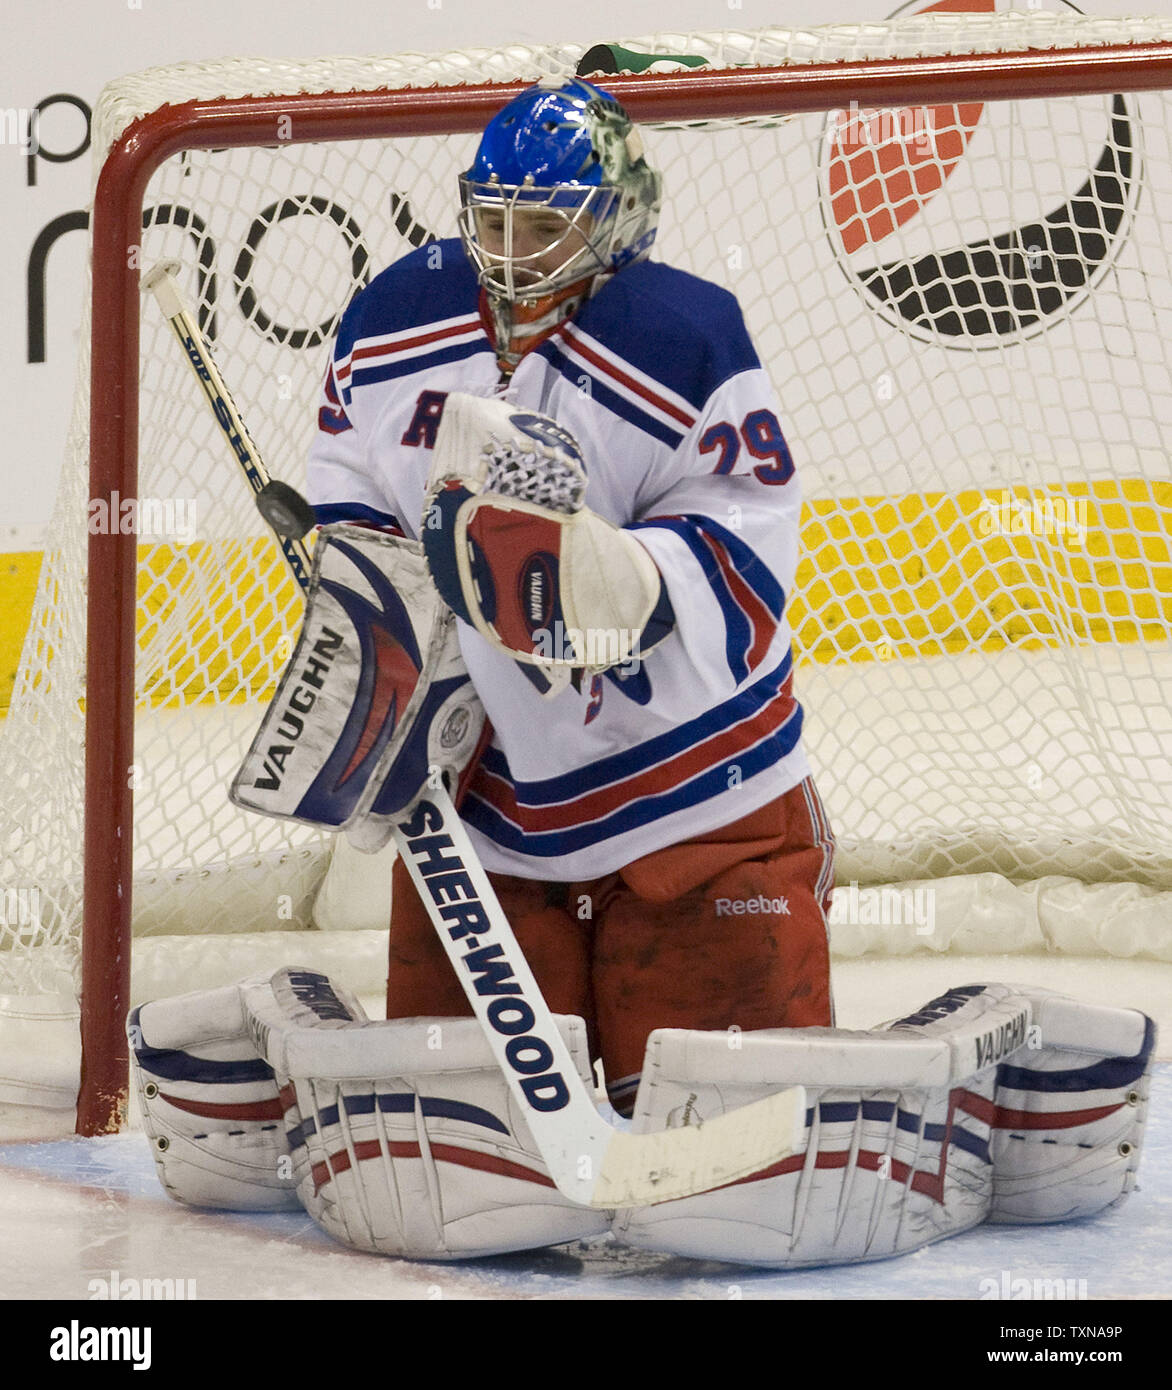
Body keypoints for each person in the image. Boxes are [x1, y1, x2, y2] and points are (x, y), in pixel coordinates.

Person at [307, 75, 835, 1118]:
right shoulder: (389, 319)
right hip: (480, 812)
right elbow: (350, 488)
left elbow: (744, 548)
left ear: (617, 224)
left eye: (544, 226)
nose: (510, 253)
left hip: (696, 804)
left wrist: (619, 584)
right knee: (459, 1121)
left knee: (733, 1118)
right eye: (492, 220)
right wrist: (378, 627)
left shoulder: (686, 336)